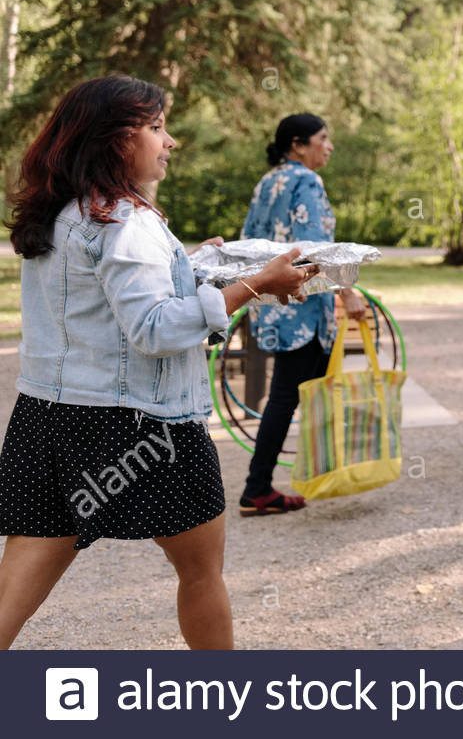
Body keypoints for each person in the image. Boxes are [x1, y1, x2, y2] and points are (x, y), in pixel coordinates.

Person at [0, 75, 315, 649]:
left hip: (49, 419)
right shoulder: (126, 220)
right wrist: (253, 283)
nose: (169, 141)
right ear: (114, 140)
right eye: (156, 127)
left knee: (14, 590)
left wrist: (194, 266)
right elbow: (153, 329)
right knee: (200, 573)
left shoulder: (66, 211)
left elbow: (105, 305)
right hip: (141, 427)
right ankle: (224, 707)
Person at [239, 113, 369, 516]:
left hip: (274, 303)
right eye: (323, 139)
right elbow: (317, 247)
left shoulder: (268, 182)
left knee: (301, 391)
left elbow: (248, 241)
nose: (329, 146)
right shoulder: (306, 181)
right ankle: (258, 487)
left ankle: (310, 475)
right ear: (298, 144)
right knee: (290, 394)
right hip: (303, 306)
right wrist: (348, 294)